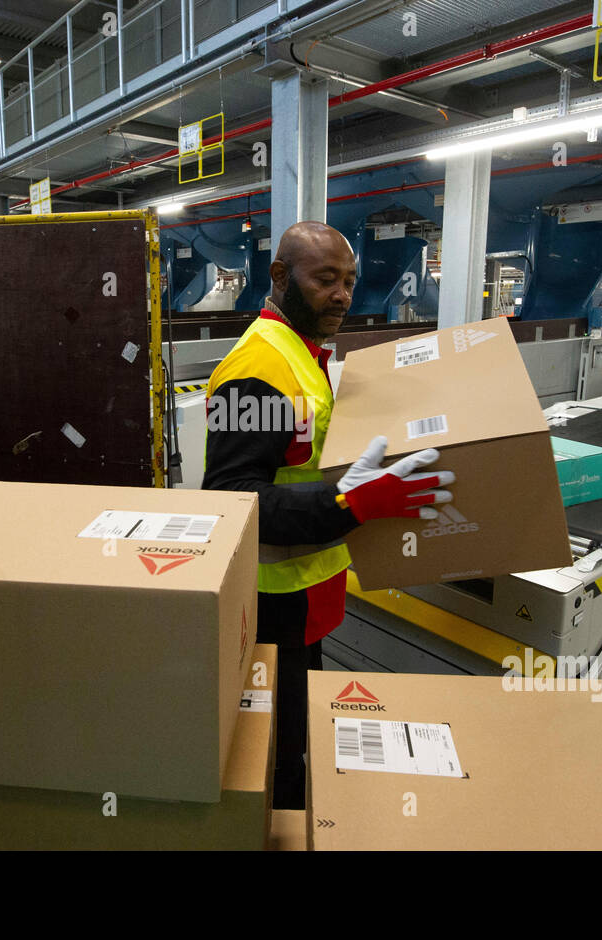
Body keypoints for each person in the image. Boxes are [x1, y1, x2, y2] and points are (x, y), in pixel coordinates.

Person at [202, 221, 455, 810]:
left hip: (309, 592)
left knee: (301, 731)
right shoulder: (257, 371)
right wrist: (350, 504)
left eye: (348, 281)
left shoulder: (301, 353)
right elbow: (235, 496)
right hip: (272, 605)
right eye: (325, 280)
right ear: (280, 277)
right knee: (278, 747)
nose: (342, 294)